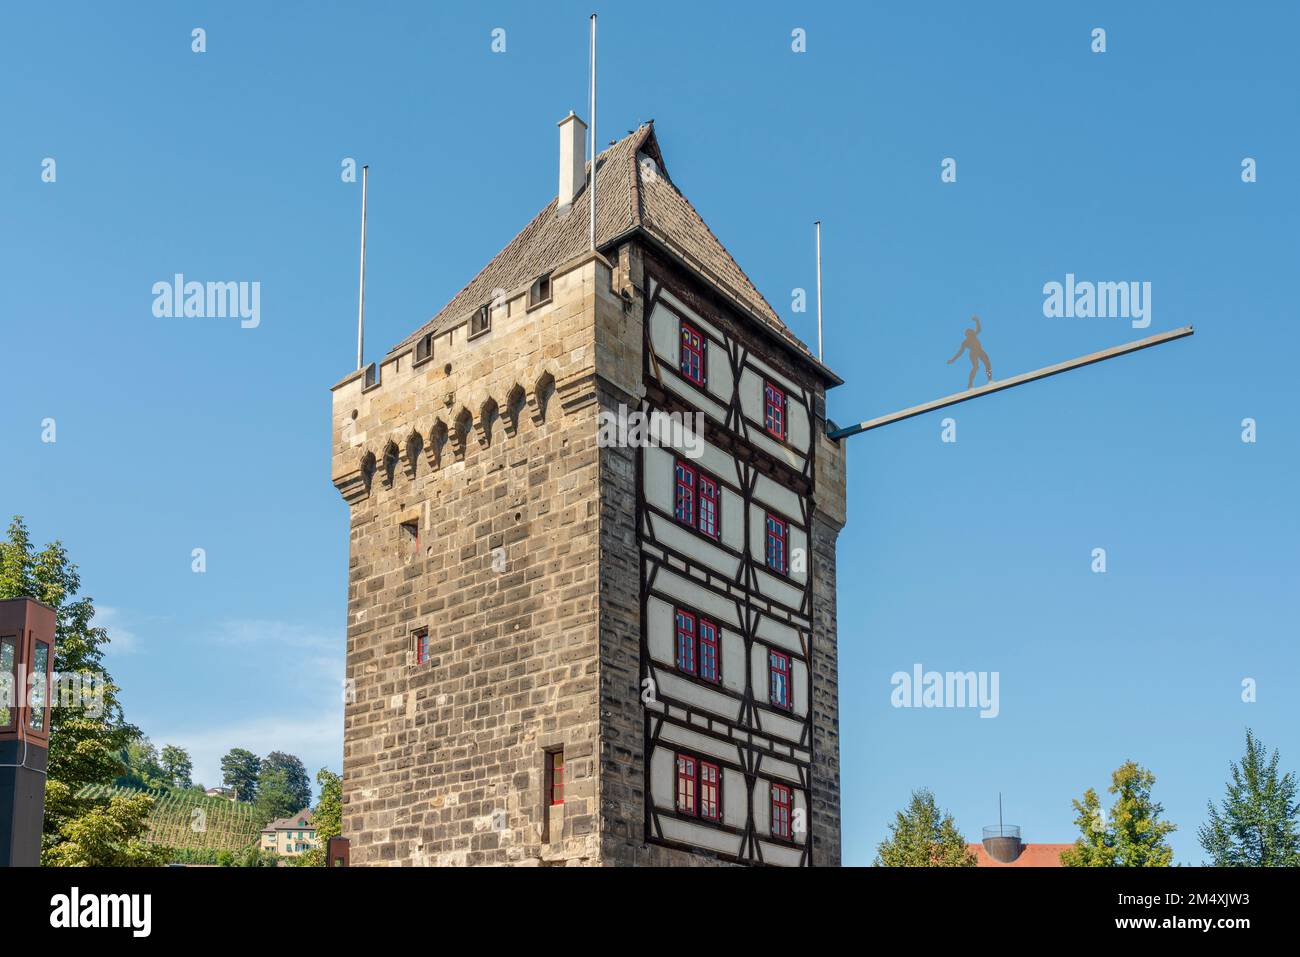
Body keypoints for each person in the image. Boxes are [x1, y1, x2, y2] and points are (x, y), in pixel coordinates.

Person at [947, 315, 992, 388]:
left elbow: (979, 329)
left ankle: (990, 380)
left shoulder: (974, 335)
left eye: (971, 333)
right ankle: (970, 383)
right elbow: (960, 352)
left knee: (988, 364)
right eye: (969, 334)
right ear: (967, 335)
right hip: (973, 354)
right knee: (975, 367)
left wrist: (977, 321)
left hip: (980, 351)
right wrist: (953, 359)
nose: (971, 335)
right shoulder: (965, 342)